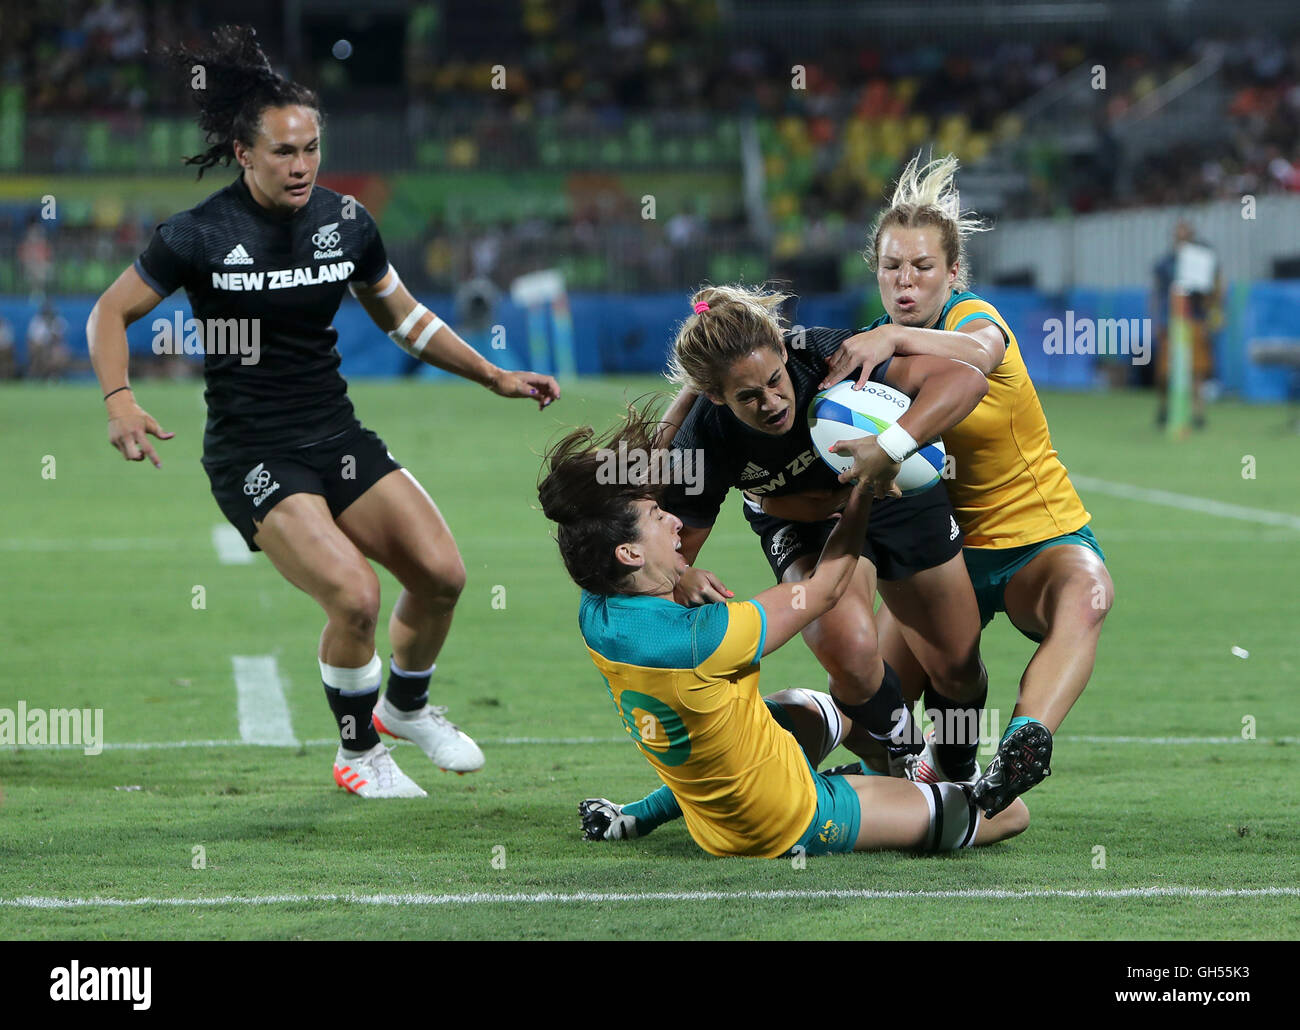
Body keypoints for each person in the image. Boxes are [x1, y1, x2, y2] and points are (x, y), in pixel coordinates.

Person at [85, 25, 560, 798]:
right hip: (254, 453)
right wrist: (120, 400)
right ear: (244, 152)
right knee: (354, 595)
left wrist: (492, 375)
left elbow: (404, 319)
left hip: (335, 434)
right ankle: (357, 754)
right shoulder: (199, 233)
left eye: (310, 148)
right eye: (283, 151)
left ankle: (404, 710)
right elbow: (110, 313)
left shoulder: (346, 223)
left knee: (441, 575)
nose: (301, 164)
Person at [537, 409, 1028, 857]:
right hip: (786, 816)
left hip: (716, 816)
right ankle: (874, 787)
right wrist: (863, 489)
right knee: (1007, 813)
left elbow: (632, 499)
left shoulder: (596, 609)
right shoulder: (707, 636)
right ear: (629, 554)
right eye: (656, 516)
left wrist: (695, 390)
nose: (672, 518)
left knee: (816, 707)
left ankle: (632, 818)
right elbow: (827, 587)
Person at [809, 153, 1113, 816]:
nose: (906, 281)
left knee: (1088, 593)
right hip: (939, 558)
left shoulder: (973, 318)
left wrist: (890, 333)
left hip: (1038, 537)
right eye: (892, 267)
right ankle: (937, 780)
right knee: (866, 706)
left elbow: (980, 356)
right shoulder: (868, 355)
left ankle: (1024, 743)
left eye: (923, 267)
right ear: (877, 271)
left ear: (953, 272)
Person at [657, 284, 991, 784]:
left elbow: (966, 381)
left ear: (783, 351)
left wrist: (890, 444)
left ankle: (957, 770)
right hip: (801, 525)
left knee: (959, 666)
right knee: (848, 650)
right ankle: (902, 754)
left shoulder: (827, 356)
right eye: (748, 397)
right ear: (714, 397)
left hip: (894, 492)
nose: (771, 403)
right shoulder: (706, 435)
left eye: (775, 380)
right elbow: (670, 547)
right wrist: (681, 575)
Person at [1152, 219, 1221, 430]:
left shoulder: (1202, 262)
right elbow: (1155, 293)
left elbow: (1215, 289)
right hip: (1169, 321)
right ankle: (1164, 407)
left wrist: (1213, 314)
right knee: (1165, 370)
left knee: (1197, 369)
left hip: (1195, 320)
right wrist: (1154, 320)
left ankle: (1198, 413)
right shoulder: (1164, 263)